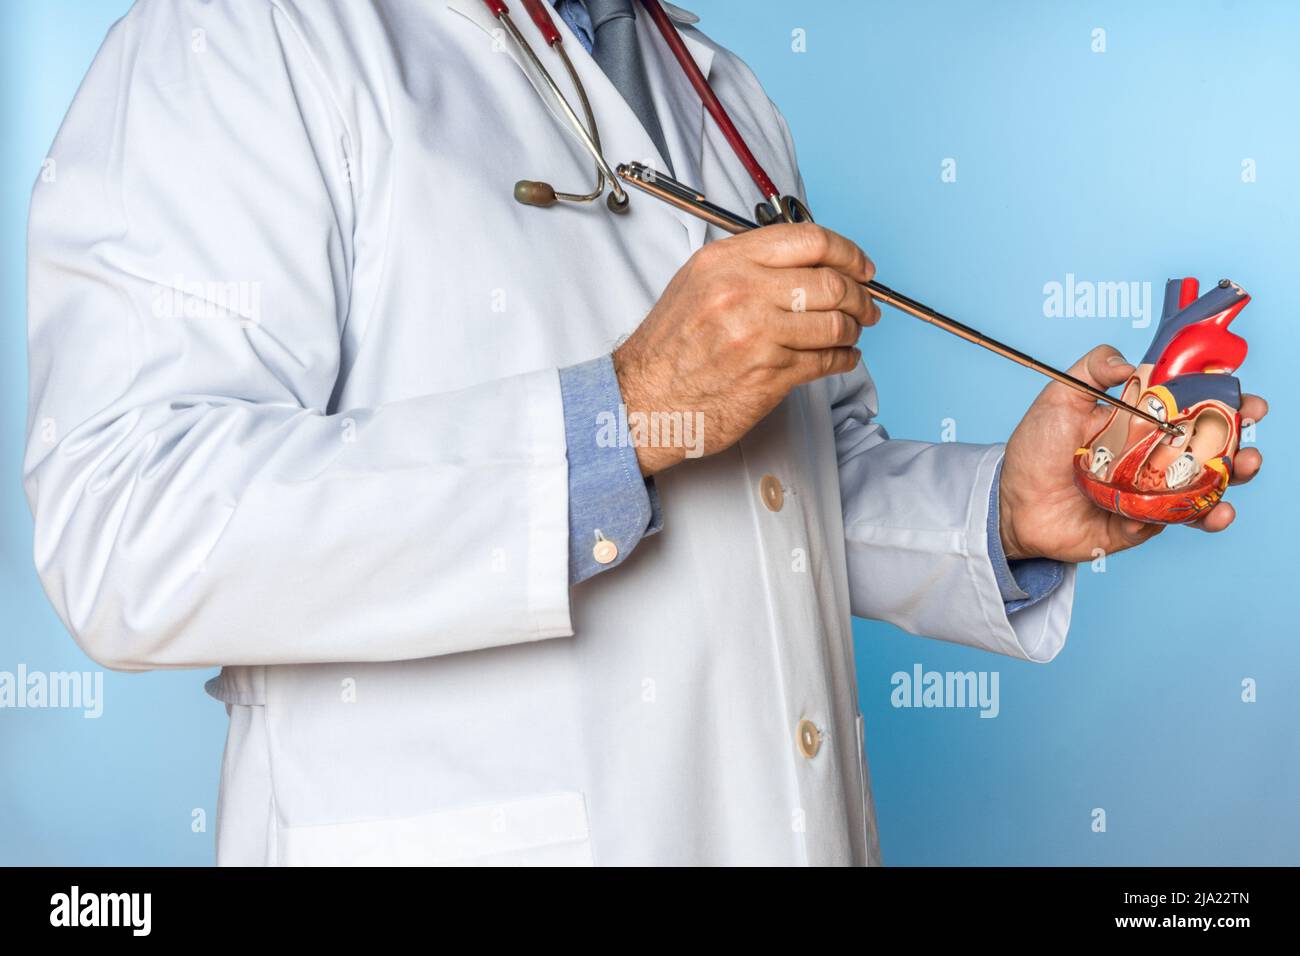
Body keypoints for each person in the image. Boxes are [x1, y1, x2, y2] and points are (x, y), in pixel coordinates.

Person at [24, 0, 1266, 865]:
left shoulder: (705, 87)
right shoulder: (235, 40)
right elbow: (130, 522)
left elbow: (782, 489)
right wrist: (624, 407)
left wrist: (1000, 510)